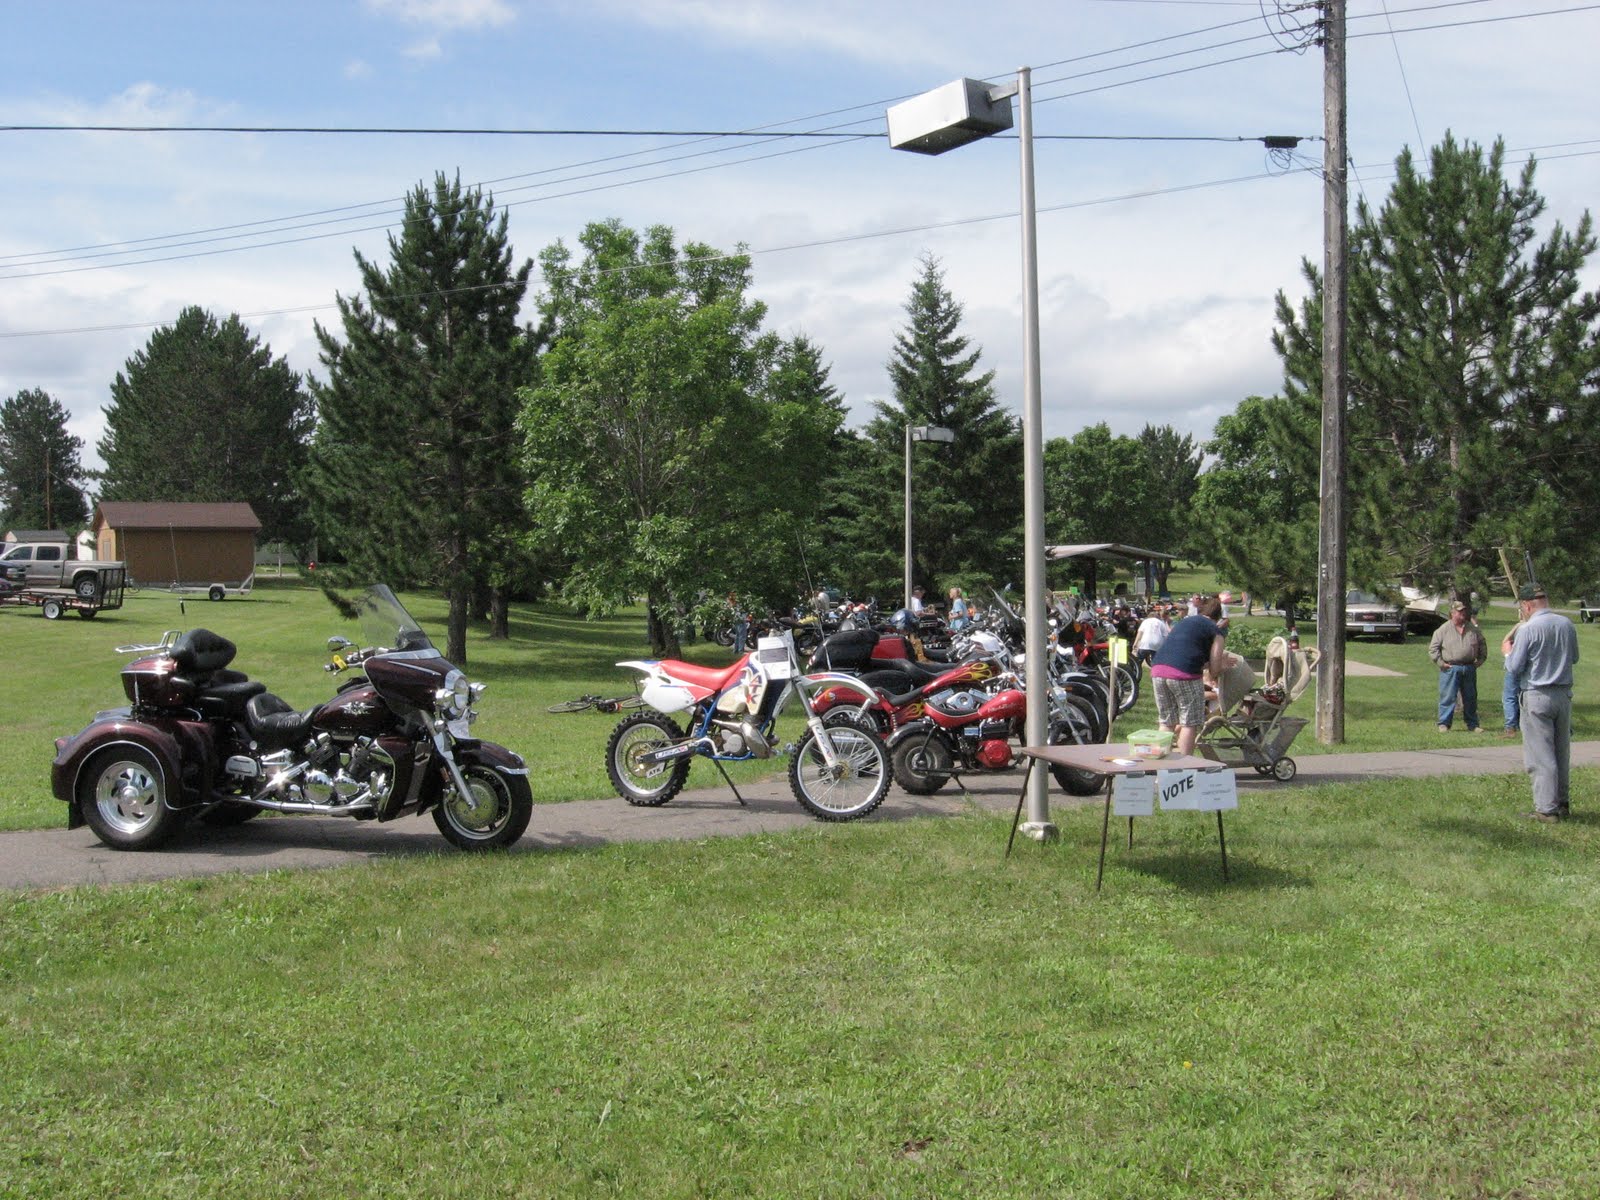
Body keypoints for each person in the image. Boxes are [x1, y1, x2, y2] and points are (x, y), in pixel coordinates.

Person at [1503, 583, 1579, 822]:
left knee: (1540, 754)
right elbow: (1574, 657)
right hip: (1563, 694)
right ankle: (1562, 802)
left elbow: (1514, 667)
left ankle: (1546, 808)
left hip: (1537, 693)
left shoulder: (1527, 629)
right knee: (1561, 751)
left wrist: (1507, 652)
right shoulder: (1566, 624)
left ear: (1527, 605)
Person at [1150, 594, 1229, 755]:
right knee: (1189, 722)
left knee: (1167, 721)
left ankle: (1158, 761)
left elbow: (1186, 652)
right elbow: (1214, 670)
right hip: (1184, 674)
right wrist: (1223, 665)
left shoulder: (1184, 622)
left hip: (1158, 669)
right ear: (1218, 617)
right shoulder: (1215, 631)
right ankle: (1184, 764)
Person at [1428, 600, 1488, 733]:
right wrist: (1441, 663)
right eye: (1459, 611)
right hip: (1450, 668)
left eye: (1463, 611)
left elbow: (1482, 644)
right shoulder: (1443, 629)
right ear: (1452, 613)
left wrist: (1480, 660)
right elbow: (1433, 649)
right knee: (1448, 697)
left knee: (1470, 698)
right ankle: (1444, 724)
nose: (1462, 614)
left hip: (1469, 668)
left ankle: (1473, 724)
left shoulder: (1472, 628)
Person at [1500, 616, 1524, 738]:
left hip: (1514, 666)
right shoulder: (1538, 627)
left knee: (1509, 697)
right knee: (1523, 696)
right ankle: (1522, 724)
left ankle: (1510, 726)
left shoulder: (1521, 627)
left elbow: (1505, 641)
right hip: (1528, 668)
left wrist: (1515, 627)